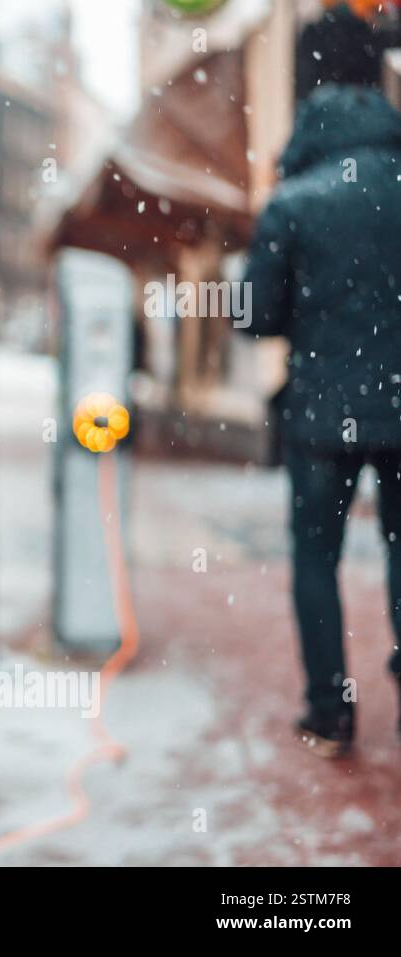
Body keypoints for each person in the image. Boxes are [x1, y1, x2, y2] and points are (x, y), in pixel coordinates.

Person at [241, 35, 401, 755]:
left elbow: (255, 316)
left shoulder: (293, 201)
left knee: (315, 558)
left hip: (321, 413)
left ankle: (329, 711)